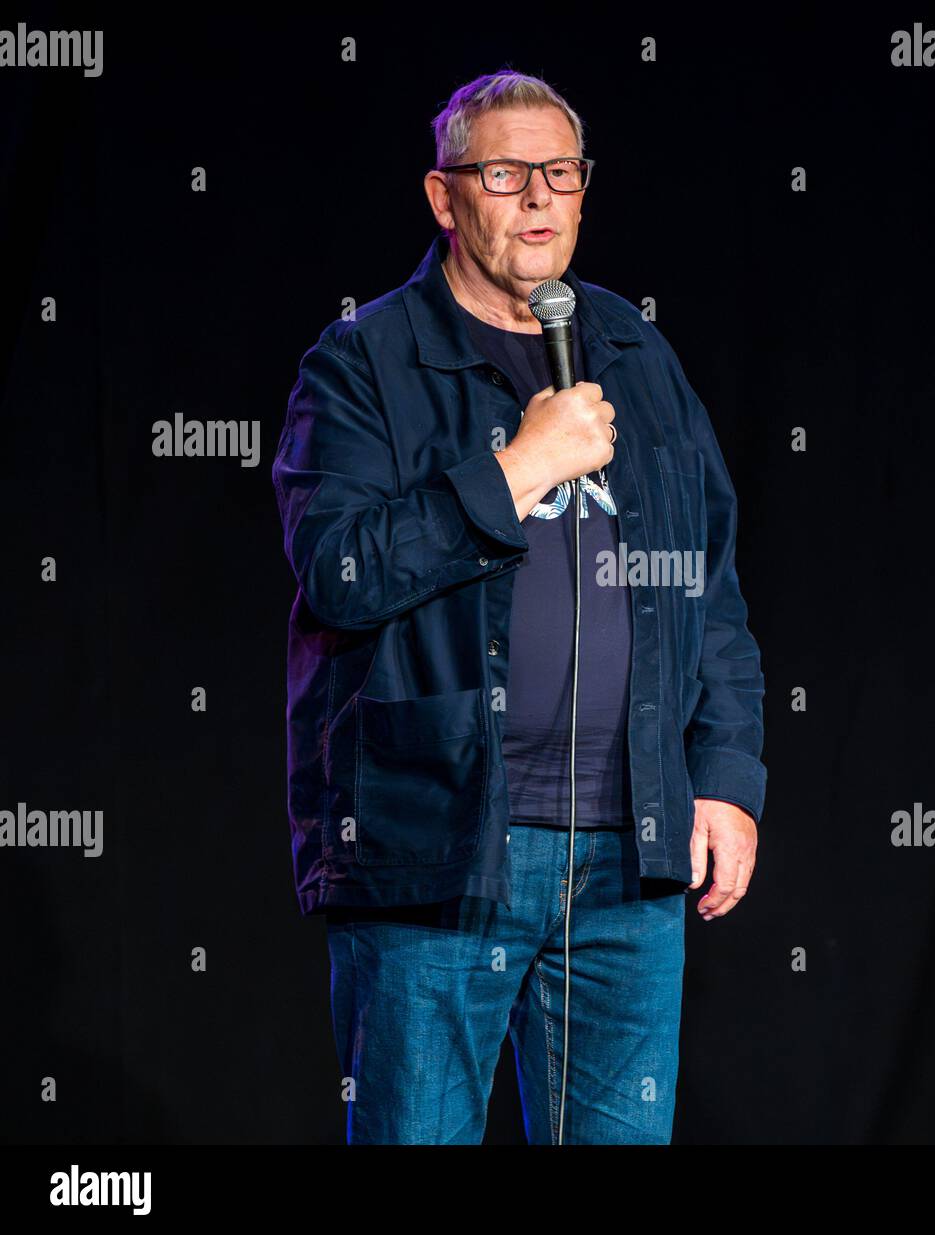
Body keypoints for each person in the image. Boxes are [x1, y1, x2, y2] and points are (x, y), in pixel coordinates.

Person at [271, 69, 767, 1144]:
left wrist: (725, 778)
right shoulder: (363, 362)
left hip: (630, 851)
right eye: (504, 173)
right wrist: (514, 470)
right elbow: (340, 570)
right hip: (438, 846)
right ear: (445, 198)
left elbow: (708, 587)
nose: (538, 197)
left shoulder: (638, 354)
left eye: (560, 172)